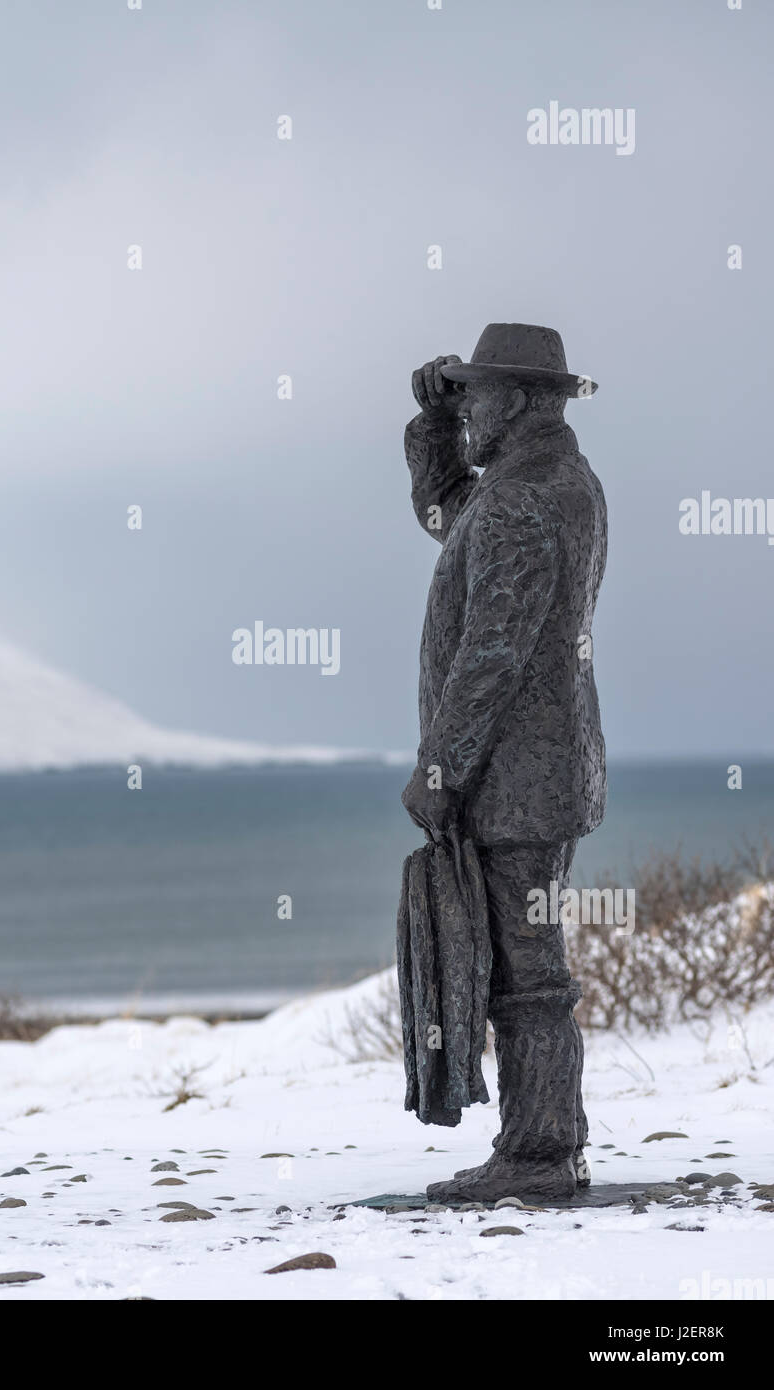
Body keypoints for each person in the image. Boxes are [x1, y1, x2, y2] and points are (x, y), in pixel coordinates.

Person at [401, 323, 606, 1201]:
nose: (469, 412)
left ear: (517, 403)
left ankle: (539, 1152)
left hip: (513, 779)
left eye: (478, 399)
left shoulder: (525, 499)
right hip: (537, 771)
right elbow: (446, 517)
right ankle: (543, 1144)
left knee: (526, 974)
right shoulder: (546, 482)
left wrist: (439, 768)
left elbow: (493, 653)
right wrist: (432, 429)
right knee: (530, 963)